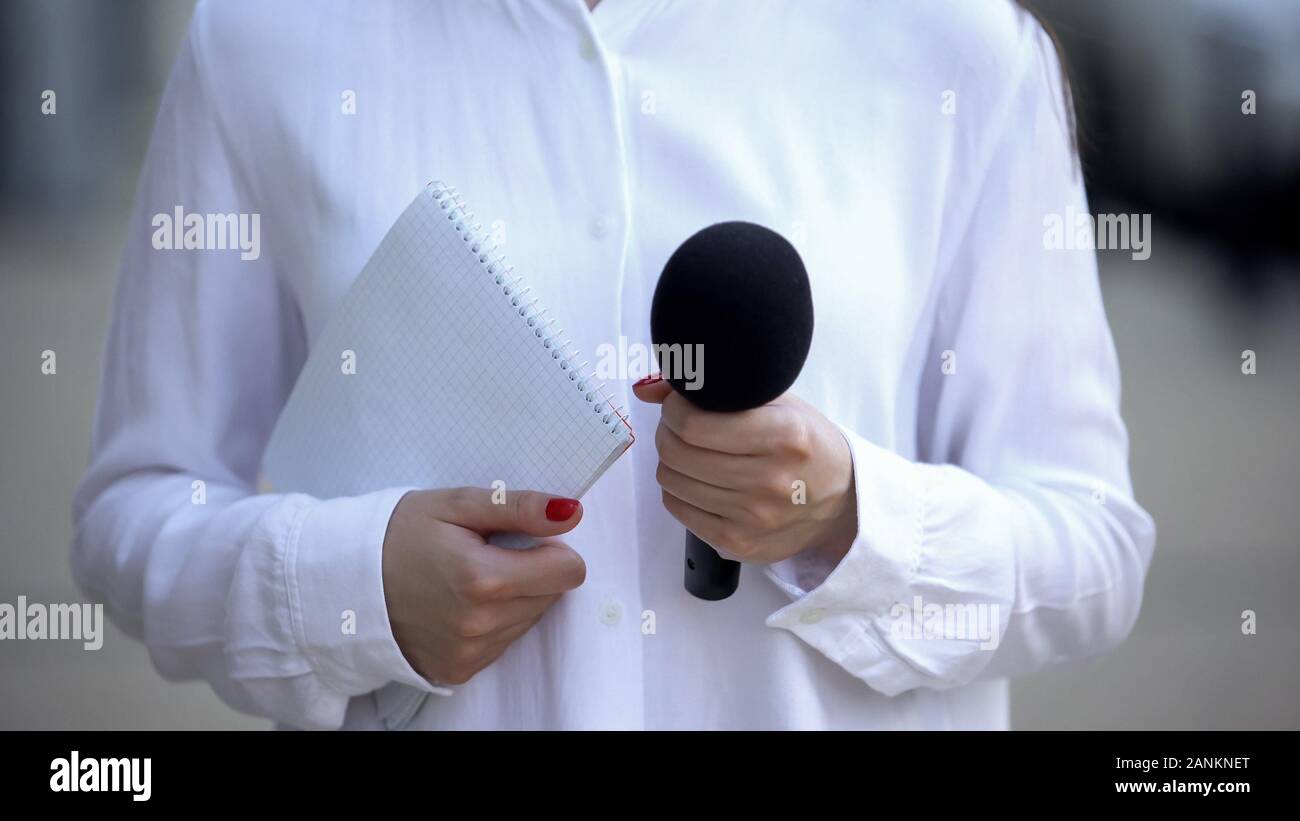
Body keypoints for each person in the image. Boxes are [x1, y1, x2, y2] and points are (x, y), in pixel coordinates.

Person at [72, 0, 1155, 730]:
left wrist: (852, 520)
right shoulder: (268, 40)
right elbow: (138, 512)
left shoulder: (951, 46)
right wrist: (350, 589)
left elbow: (1093, 548)